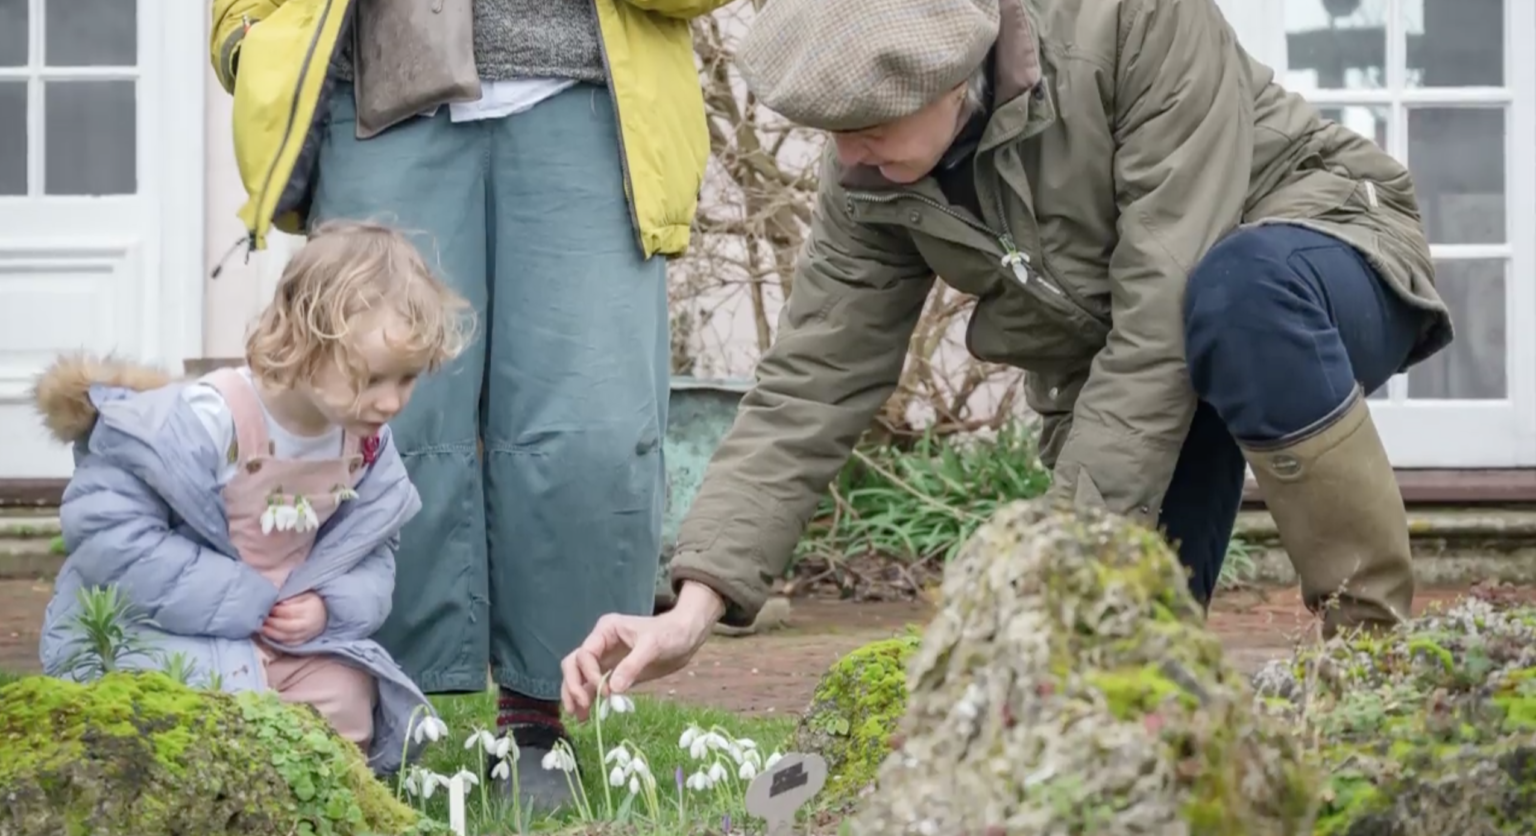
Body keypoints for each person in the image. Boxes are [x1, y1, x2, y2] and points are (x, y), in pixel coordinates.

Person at [560, 0, 1457, 719]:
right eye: (830, 132)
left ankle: (1374, 667)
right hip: (1138, 360)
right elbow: (810, 383)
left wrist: (1062, 567)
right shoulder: (870, 178)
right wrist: (694, 606)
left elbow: (1160, 309)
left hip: (1317, 252)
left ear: (952, 72)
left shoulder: (1133, 22)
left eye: (867, 125)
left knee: (1237, 294)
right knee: (1101, 695)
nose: (845, 156)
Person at [210, 0, 734, 811]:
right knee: (381, 422)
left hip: (588, 97)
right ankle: (371, 703)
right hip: (376, 93)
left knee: (588, 432)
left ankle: (539, 717)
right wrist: (251, 43)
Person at [33, 220, 471, 777]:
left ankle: (304, 793)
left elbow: (373, 551)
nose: (389, 402)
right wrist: (238, 598)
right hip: (167, 627)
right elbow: (106, 531)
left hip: (282, 642)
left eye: (407, 380)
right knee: (175, 707)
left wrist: (328, 607)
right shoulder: (210, 420)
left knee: (349, 694)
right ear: (306, 340)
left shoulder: (364, 445)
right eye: (372, 378)